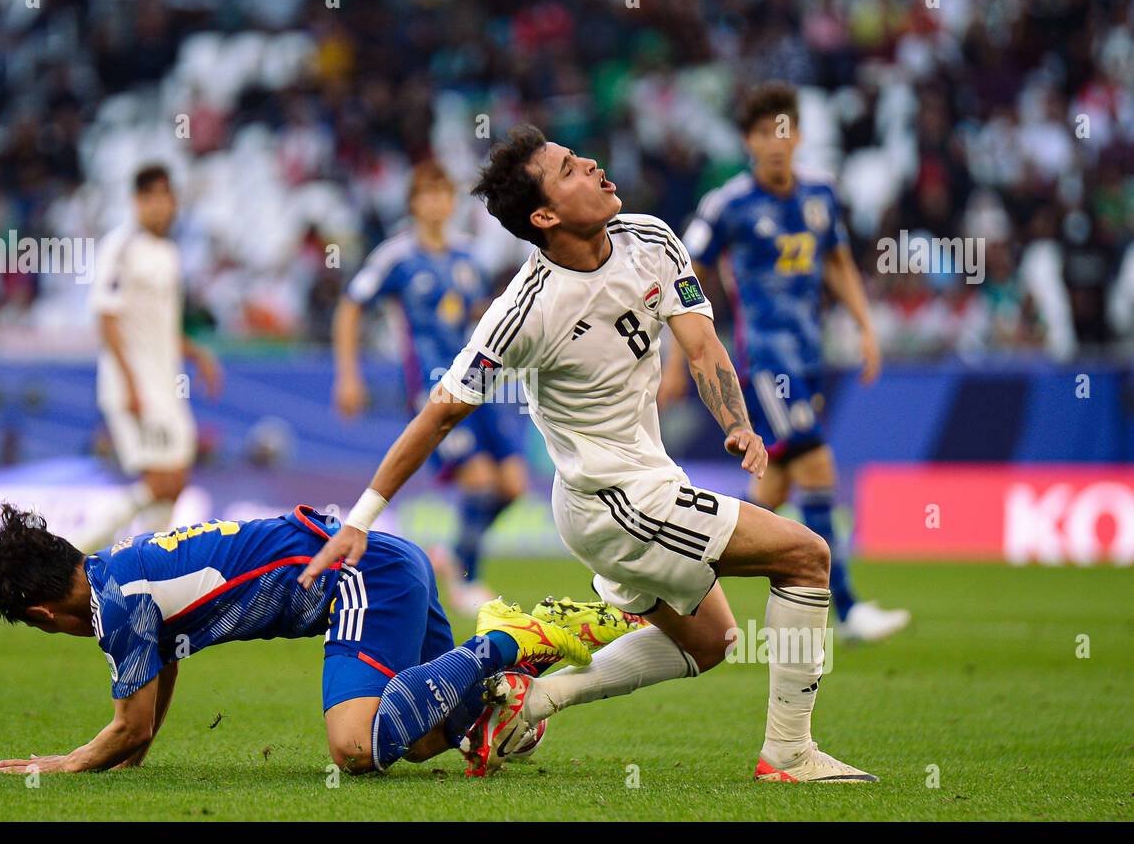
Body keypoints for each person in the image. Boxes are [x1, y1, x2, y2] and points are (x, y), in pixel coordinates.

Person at [301, 125, 877, 782]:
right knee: (806, 556)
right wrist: (360, 518)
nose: (594, 165)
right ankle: (790, 752)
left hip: (646, 480)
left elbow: (702, 346)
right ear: (545, 215)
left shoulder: (652, 237)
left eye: (582, 158)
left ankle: (534, 698)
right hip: (615, 502)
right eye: (571, 169)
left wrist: (737, 422)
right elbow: (438, 414)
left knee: (714, 641)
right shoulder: (524, 311)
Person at [0, 503, 589, 776]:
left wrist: (65, 762)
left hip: (364, 577)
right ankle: (489, 698)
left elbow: (130, 724)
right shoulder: (122, 569)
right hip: (386, 561)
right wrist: (134, 753)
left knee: (354, 748)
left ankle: (503, 642)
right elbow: (152, 695)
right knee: (420, 743)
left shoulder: (118, 603)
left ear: (42, 615)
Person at [670, 82, 910, 642]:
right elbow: (684, 274)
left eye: (784, 130)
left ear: (798, 135)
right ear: (748, 140)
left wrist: (866, 326)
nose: (775, 143)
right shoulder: (727, 205)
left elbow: (839, 264)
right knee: (818, 467)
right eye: (761, 133)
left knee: (772, 491)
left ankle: (679, 565)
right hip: (764, 361)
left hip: (809, 355)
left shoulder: (820, 197)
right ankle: (847, 610)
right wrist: (679, 355)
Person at [332, 160, 527, 610]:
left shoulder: (469, 257)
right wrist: (349, 375)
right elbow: (351, 306)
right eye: (427, 194)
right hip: (435, 386)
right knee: (478, 481)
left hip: (482, 380)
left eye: (444, 193)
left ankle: (452, 554)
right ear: (414, 203)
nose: (436, 203)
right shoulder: (395, 256)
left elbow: (482, 316)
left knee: (514, 485)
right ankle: (466, 578)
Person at [74, 164, 222, 553]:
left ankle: (143, 562)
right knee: (162, 480)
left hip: (165, 384)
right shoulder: (119, 247)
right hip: (133, 385)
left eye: (165, 197)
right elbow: (106, 318)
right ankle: (76, 547)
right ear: (136, 202)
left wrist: (198, 354)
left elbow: (163, 328)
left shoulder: (169, 254)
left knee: (176, 482)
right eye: (150, 198)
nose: (159, 206)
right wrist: (131, 385)